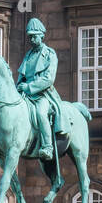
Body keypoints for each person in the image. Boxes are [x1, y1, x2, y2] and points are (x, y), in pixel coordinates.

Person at [15, 16, 67, 161]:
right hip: (26, 94)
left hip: (43, 95)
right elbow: (22, 76)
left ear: (41, 36)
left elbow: (49, 79)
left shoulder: (50, 54)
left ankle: (47, 147)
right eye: (30, 37)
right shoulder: (29, 55)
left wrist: (29, 87)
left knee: (40, 113)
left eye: (34, 36)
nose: (31, 40)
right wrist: (18, 87)